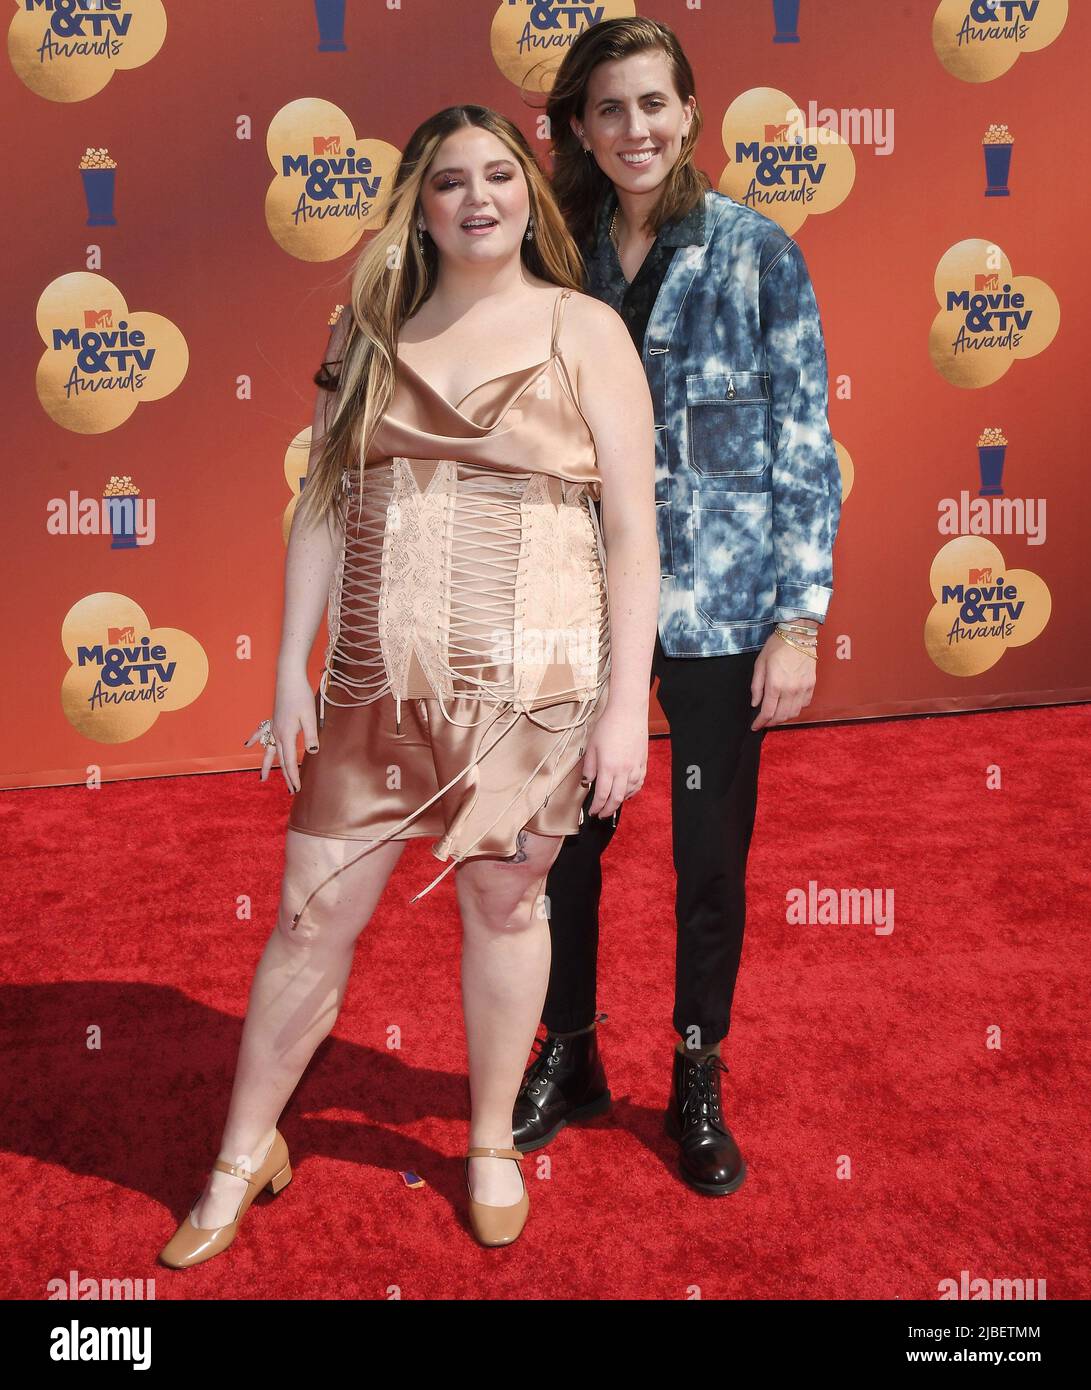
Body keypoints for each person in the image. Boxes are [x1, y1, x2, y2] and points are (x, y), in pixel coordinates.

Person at [157, 104, 659, 1265]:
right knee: (306, 919)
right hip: (373, 688)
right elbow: (325, 505)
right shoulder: (370, 324)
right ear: (418, 205)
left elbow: (632, 528)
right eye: (447, 181)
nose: (475, 197)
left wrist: (625, 704)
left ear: (527, 198)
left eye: (497, 175)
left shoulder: (582, 329)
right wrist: (290, 664)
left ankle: (488, 1141)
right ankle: (241, 1151)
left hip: (535, 690)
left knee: (505, 905)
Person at [511, 18, 843, 1195]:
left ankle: (695, 1067)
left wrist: (796, 617)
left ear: (690, 114)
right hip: (581, 595)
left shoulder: (758, 253)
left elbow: (805, 441)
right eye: (608, 109)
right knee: (560, 843)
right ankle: (567, 1048)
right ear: (580, 128)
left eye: (652, 104)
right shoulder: (552, 252)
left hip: (721, 606)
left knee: (708, 857)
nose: (633, 129)